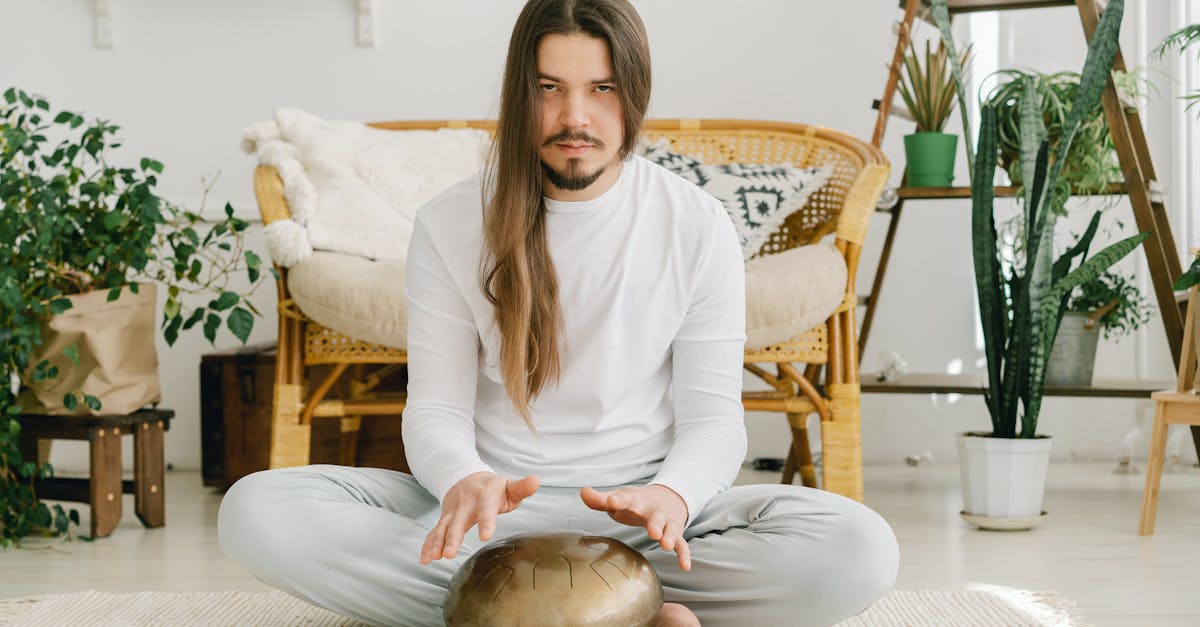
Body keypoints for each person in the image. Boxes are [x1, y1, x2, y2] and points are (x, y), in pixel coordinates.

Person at [218, 0, 898, 625]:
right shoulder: (451, 223)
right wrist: (464, 480)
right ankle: (617, 609)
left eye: (601, 89)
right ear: (522, 96)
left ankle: (515, 610)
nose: (576, 116)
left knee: (859, 547)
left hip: (646, 521)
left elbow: (712, 422)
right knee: (256, 512)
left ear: (633, 96)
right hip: (494, 523)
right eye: (551, 88)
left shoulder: (697, 225)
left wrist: (673, 497)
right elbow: (436, 410)